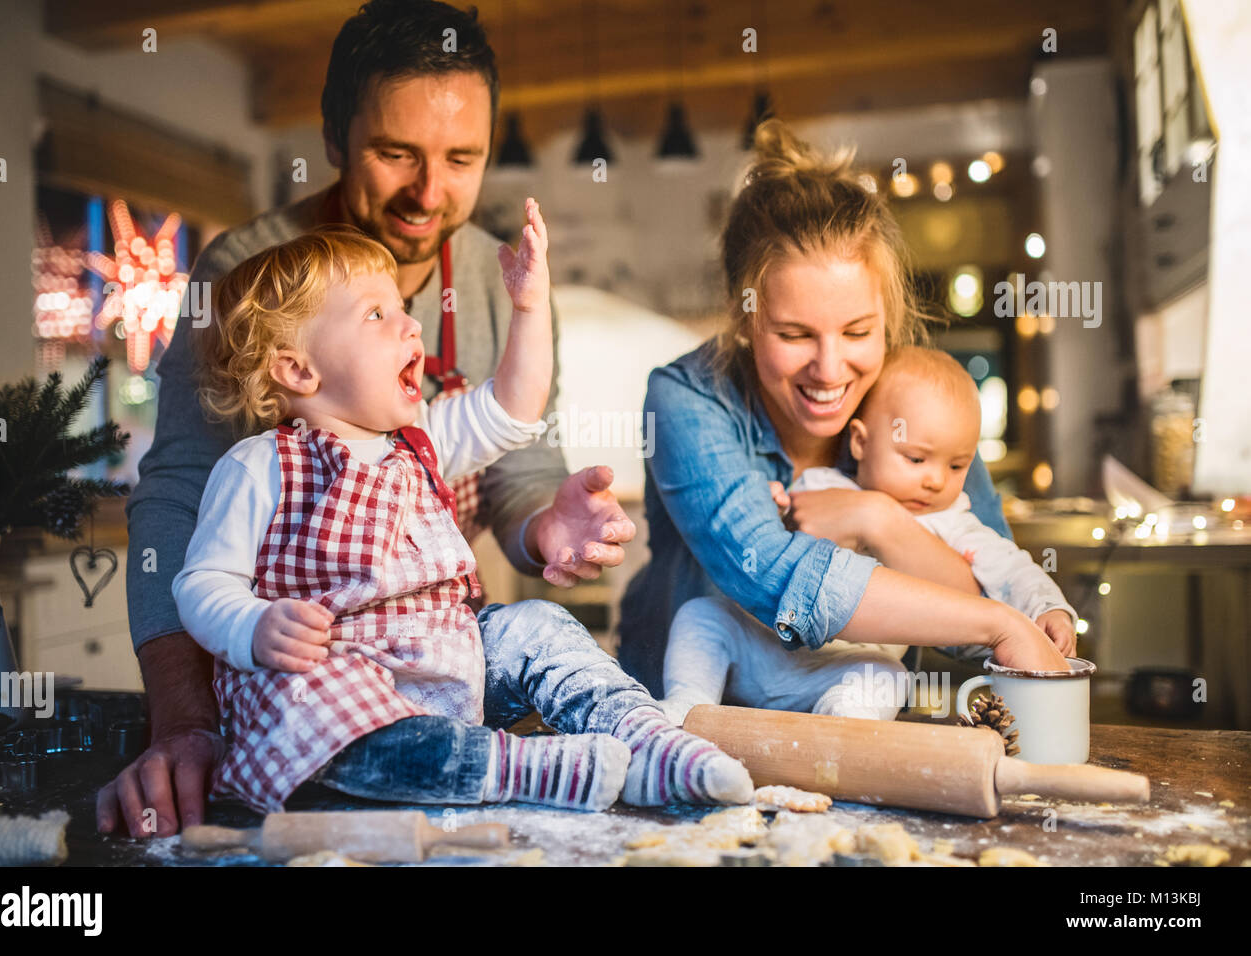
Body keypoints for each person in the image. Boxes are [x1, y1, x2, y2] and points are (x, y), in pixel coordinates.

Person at [102, 0, 635, 837]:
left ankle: (637, 739)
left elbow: (517, 467)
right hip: (302, 667)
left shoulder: (501, 285)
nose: (430, 193)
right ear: (333, 139)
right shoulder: (248, 274)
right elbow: (176, 499)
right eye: (395, 154)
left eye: (463, 158)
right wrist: (183, 722)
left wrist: (551, 527)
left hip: (432, 646)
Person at [170, 213, 752, 813]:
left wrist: (528, 308)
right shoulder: (259, 467)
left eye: (403, 308)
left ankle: (650, 740)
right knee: (300, 710)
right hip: (339, 680)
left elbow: (513, 406)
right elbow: (203, 583)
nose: (410, 325)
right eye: (377, 315)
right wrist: (250, 629)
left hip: (452, 661)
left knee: (536, 625)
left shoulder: (421, 436)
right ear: (298, 370)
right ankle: (528, 770)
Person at [618, 119, 1070, 703]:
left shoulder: (917, 399)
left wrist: (874, 517)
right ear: (744, 318)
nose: (830, 370)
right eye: (794, 334)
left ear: (888, 318)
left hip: (839, 706)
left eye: (857, 331)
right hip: (689, 720)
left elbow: (987, 583)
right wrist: (998, 623)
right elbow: (774, 575)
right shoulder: (687, 398)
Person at [659, 346, 1078, 724]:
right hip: (759, 657)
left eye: (956, 467)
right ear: (860, 442)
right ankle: (687, 710)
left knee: (888, 677)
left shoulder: (954, 524)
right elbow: (772, 554)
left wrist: (1049, 608)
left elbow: (1013, 571)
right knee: (702, 616)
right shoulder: (822, 485)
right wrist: (773, 507)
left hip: (843, 670)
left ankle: (840, 729)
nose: (934, 480)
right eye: (916, 458)